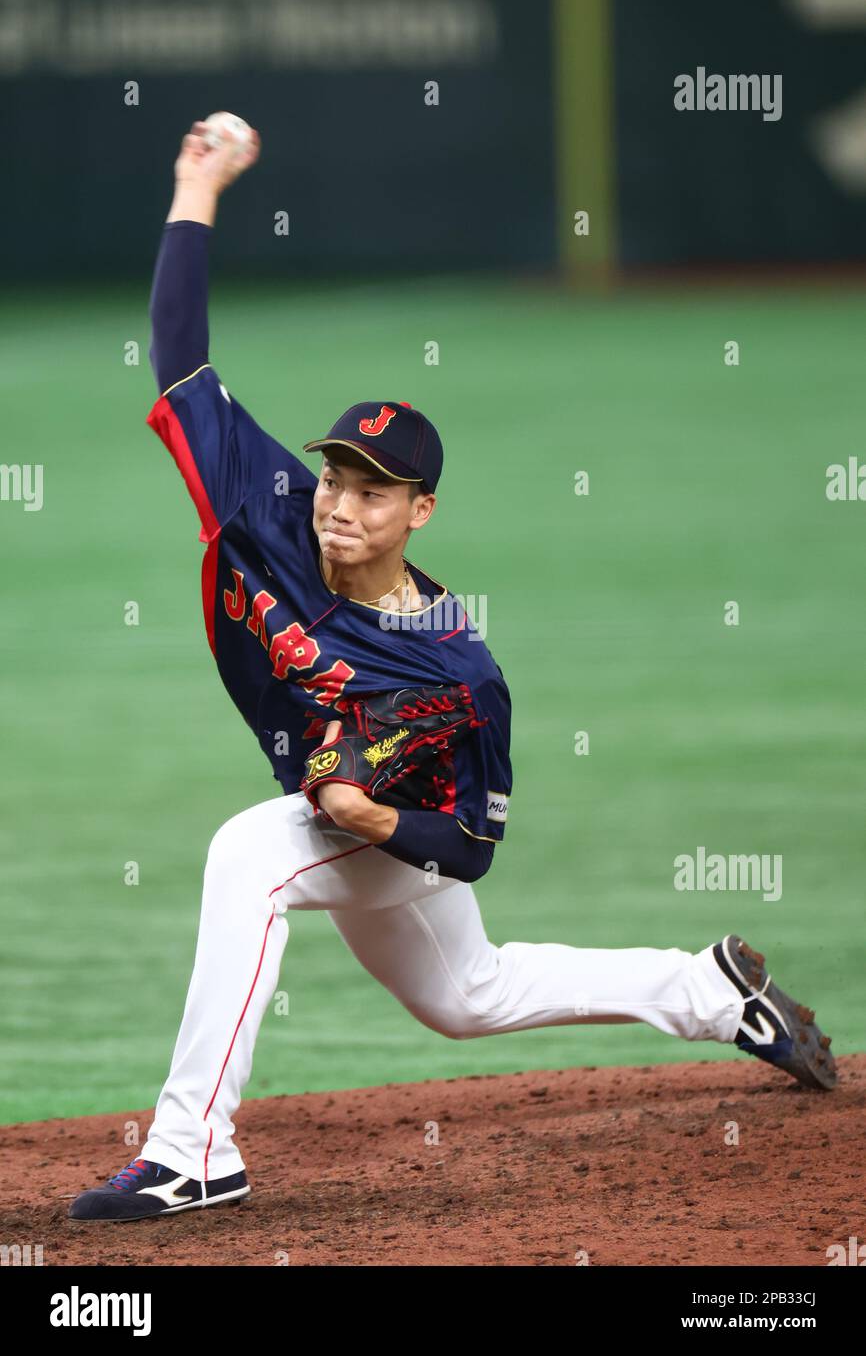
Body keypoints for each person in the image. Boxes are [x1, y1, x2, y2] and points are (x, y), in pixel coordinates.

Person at [68, 120, 836, 1222]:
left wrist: (376, 825)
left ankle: (195, 1149)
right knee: (467, 998)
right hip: (351, 813)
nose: (340, 502)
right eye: (336, 474)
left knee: (248, 854)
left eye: (372, 491)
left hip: (406, 833)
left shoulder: (457, 670)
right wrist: (196, 185)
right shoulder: (265, 503)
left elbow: (472, 844)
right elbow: (180, 352)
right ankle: (704, 990)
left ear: (418, 511)